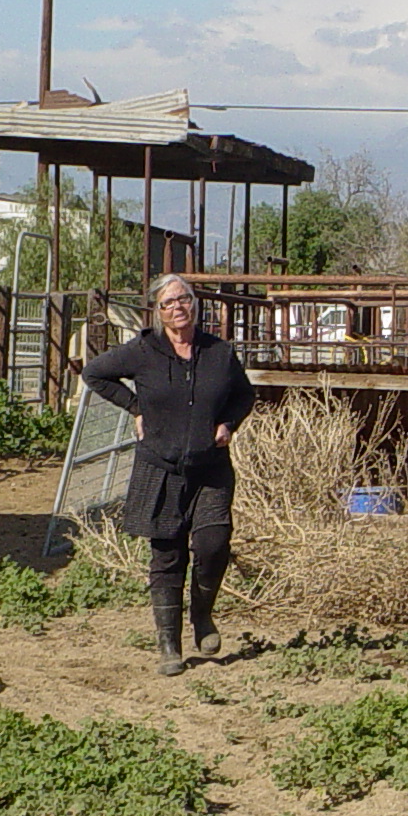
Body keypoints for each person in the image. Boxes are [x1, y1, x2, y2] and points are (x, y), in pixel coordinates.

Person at [83, 272, 256, 676]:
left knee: (214, 544)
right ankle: (168, 644)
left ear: (195, 304)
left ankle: (202, 615)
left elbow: (244, 393)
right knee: (167, 555)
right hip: (159, 467)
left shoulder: (219, 352)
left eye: (184, 299)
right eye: (168, 302)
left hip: (210, 468)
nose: (178, 307)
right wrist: (135, 407)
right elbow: (94, 373)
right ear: (157, 311)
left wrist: (229, 422)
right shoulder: (143, 351)